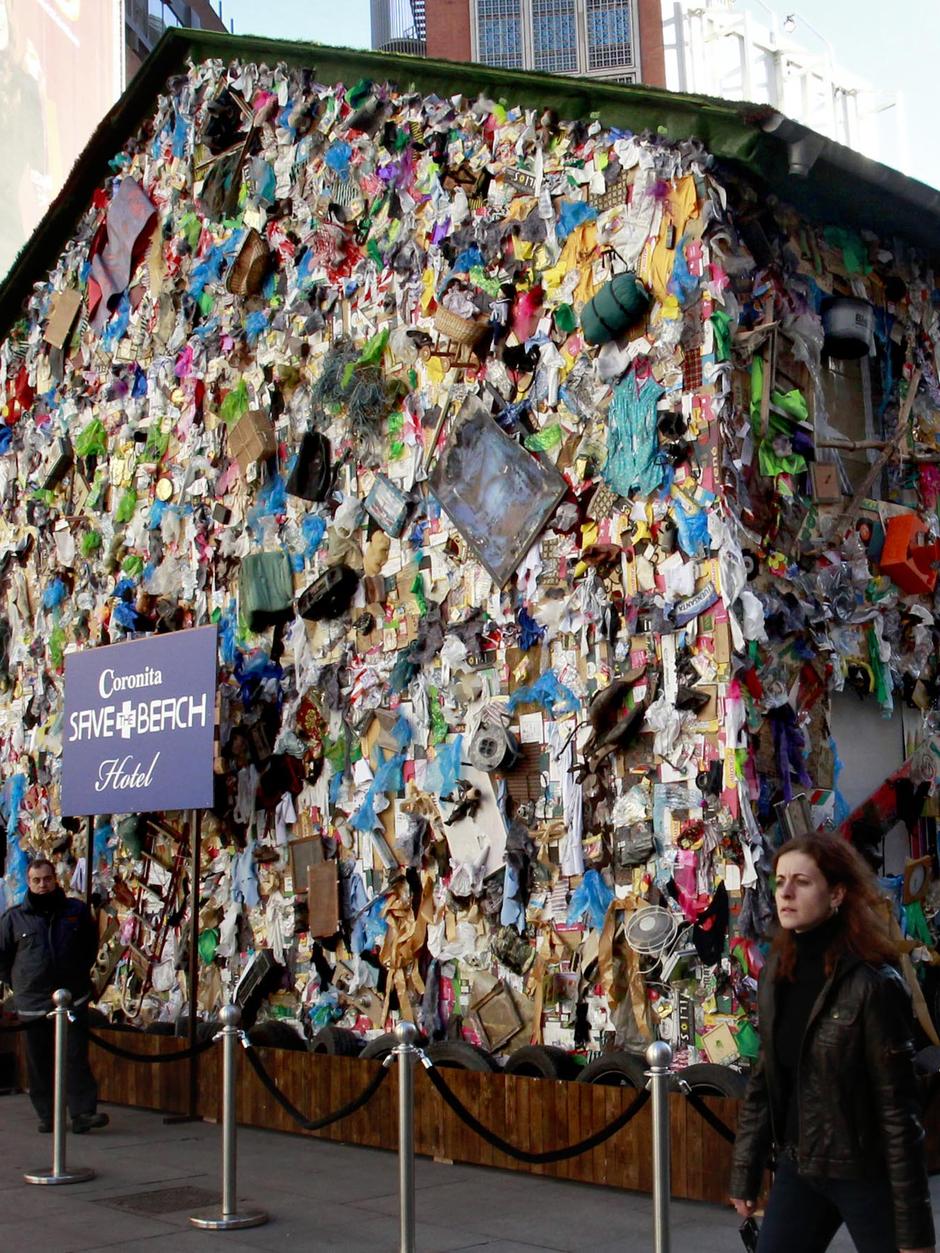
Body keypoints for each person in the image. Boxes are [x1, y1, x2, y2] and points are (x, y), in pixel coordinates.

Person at [730, 833, 934, 1253]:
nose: (785, 892)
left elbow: (899, 1114)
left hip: (865, 1172)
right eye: (780, 880)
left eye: (802, 882)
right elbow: (764, 1080)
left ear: (837, 893)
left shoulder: (872, 984)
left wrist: (915, 1232)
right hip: (800, 1166)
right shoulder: (776, 975)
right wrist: (744, 1170)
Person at [0, 857, 108, 1134]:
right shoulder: (14, 918)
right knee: (39, 1061)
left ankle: (83, 1112)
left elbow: (89, 945)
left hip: (72, 997)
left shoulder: (75, 911)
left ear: (55, 879)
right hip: (33, 1002)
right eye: (36, 880)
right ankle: (48, 1114)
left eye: (47, 879)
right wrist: (17, 983)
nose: (42, 885)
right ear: (29, 882)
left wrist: (78, 976)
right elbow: (3, 957)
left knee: (75, 1056)